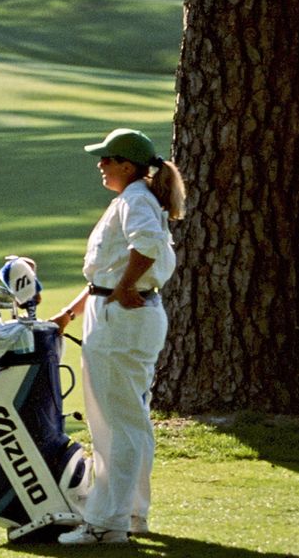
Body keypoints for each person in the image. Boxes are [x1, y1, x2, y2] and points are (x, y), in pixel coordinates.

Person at [46, 128, 186, 546]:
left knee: (114, 424)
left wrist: (126, 286)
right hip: (120, 313)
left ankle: (107, 523)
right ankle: (131, 513)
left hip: (122, 317)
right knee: (130, 420)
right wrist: (70, 314)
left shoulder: (135, 201)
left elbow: (146, 248)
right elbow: (105, 273)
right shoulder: (132, 199)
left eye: (107, 159)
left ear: (127, 165)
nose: (100, 165)